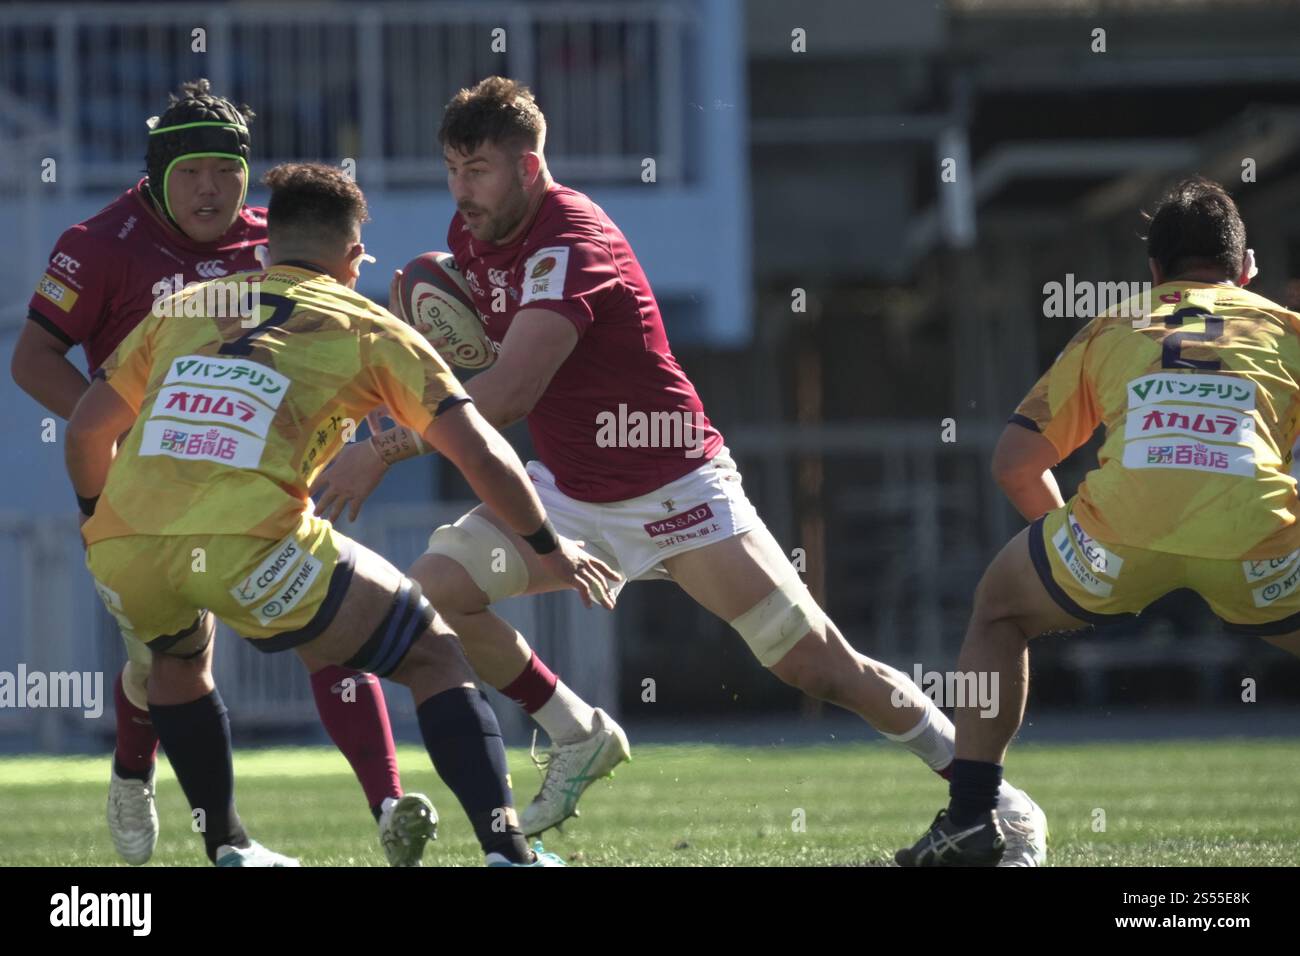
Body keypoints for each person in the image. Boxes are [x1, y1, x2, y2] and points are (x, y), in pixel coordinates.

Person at [313, 76, 1048, 863]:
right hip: (567, 493)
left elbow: (513, 389)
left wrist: (383, 445)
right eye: (454, 170)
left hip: (677, 494)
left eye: (480, 170)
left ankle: (993, 796)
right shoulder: (470, 242)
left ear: (529, 167)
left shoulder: (570, 239)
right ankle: (573, 729)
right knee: (435, 599)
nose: (464, 191)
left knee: (820, 666)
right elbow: (492, 375)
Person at [66, 161, 616, 866]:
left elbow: (85, 432)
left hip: (124, 542)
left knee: (177, 661)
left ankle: (228, 846)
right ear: (354, 258)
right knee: (434, 652)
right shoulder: (369, 328)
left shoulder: (184, 308)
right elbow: (480, 452)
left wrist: (99, 527)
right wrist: (546, 546)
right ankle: (508, 853)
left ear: (267, 249)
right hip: (250, 545)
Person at [11, 79, 427, 865]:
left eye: (228, 171)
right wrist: (116, 438)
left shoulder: (276, 243)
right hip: (152, 492)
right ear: (158, 175)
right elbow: (32, 360)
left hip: (266, 486)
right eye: (194, 171)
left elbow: (343, 343)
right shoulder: (97, 244)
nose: (213, 189)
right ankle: (135, 775)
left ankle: (388, 808)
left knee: (326, 637)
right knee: (171, 659)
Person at [897, 177, 1300, 865]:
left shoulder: (1114, 325)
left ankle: (970, 819)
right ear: (1246, 269)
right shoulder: (1285, 329)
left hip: (1115, 534)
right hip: (1256, 539)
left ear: (1152, 272)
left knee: (999, 610)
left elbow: (1015, 464)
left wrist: (1071, 566)